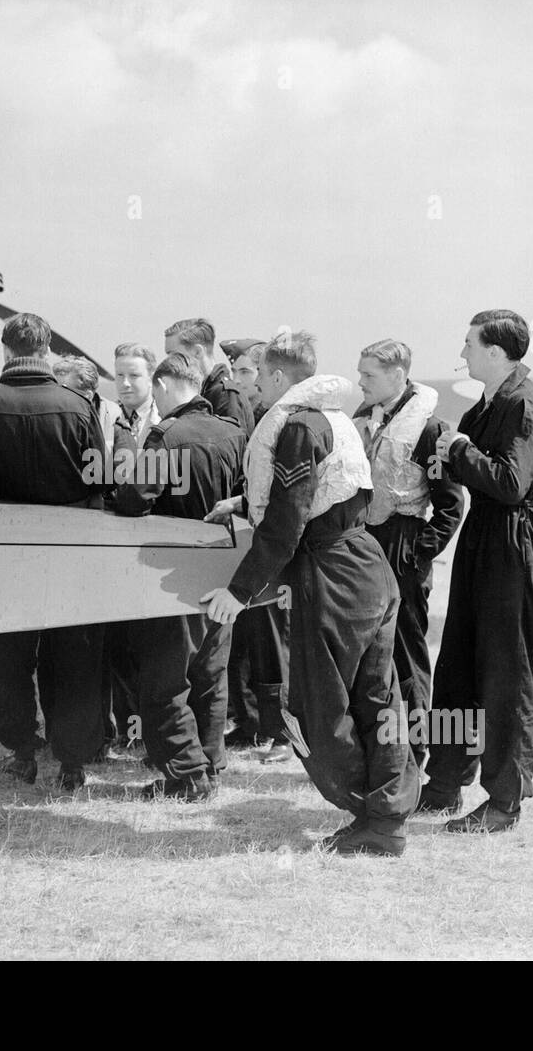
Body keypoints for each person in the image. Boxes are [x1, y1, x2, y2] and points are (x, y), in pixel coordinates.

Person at [201, 331, 418, 856]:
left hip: (333, 578)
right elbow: (324, 493)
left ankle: (366, 810)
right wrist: (240, 503)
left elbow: (288, 524)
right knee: (378, 700)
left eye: (256, 374)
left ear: (278, 377)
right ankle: (388, 818)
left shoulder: (297, 425)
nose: (249, 388)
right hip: (369, 567)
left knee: (318, 707)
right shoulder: (335, 418)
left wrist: (238, 591)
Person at [0, 312, 107, 791]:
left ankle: (21, 752)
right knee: (73, 659)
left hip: (9, 553)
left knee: (13, 659)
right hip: (70, 553)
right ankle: (73, 763)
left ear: (7, 347)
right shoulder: (79, 406)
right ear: (45, 351)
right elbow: (100, 480)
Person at [420, 310, 533, 833]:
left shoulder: (524, 406)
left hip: (516, 540)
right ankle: (444, 784)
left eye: (470, 345)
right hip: (486, 536)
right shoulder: (491, 401)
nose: (463, 355)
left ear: (497, 352)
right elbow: (474, 469)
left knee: (507, 673)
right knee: (459, 661)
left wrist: (459, 448)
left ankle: (504, 804)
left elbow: (509, 483)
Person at [113, 353, 246, 800]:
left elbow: (134, 500)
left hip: (173, 578)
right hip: (225, 573)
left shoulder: (166, 436)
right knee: (211, 674)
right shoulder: (234, 434)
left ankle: (187, 775)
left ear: (165, 386)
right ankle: (210, 760)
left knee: (165, 680)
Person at [353, 340, 464, 766]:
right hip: (365, 542)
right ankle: (378, 747)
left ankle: (415, 753)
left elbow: (452, 503)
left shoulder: (430, 429)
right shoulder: (363, 417)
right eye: (360, 373)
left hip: (402, 542)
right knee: (367, 650)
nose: (360, 381)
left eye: (370, 375)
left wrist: (420, 553)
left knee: (404, 650)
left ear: (398, 375)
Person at [220, 338, 290, 762]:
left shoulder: (276, 419)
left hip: (272, 547)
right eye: (237, 373)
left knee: (273, 640)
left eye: (248, 373)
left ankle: (282, 733)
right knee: (249, 640)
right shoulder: (253, 416)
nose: (241, 381)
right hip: (250, 539)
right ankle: (252, 725)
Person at [165, 318, 254, 434]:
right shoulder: (205, 390)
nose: (169, 362)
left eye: (173, 354)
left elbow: (231, 446)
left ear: (198, 352)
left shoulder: (225, 395)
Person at [53, 355, 121, 458]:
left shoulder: (115, 419)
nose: (57, 398)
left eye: (66, 393)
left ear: (87, 396)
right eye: (55, 390)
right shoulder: (47, 419)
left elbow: (125, 470)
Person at [113, 342, 161, 446]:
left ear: (151, 378)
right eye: (120, 375)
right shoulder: (102, 420)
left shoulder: (167, 420)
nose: (125, 383)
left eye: (134, 375)